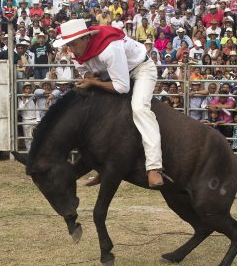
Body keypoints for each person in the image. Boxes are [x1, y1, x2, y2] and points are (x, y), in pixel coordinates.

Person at [53, 18, 164, 188]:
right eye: (69, 45)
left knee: (140, 108)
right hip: (113, 75)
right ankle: (102, 165)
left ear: (86, 38)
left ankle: (154, 167)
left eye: (74, 43)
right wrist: (90, 79)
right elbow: (86, 73)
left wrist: (93, 82)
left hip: (140, 69)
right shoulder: (76, 53)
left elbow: (122, 87)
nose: (71, 49)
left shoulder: (110, 48)